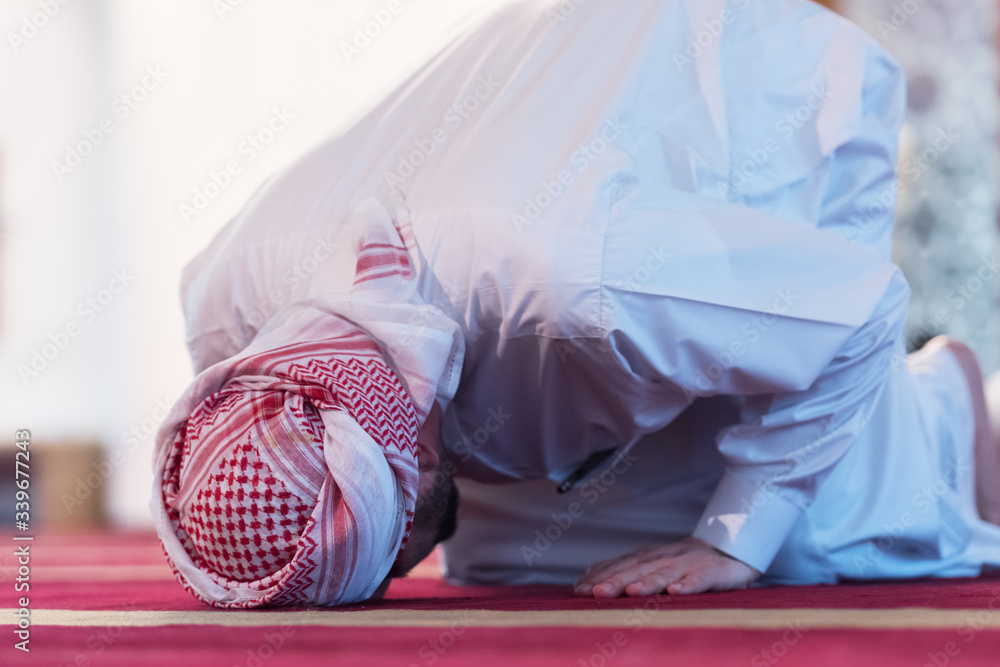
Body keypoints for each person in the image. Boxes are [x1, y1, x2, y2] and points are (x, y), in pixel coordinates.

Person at [152, 0, 1000, 608]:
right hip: (553, 192)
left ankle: (949, 409)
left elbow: (854, 309)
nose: (403, 572)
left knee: (815, 526)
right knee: (519, 565)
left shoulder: (585, 280)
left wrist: (732, 536)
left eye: (391, 557)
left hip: (744, 107)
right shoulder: (222, 303)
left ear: (414, 438)